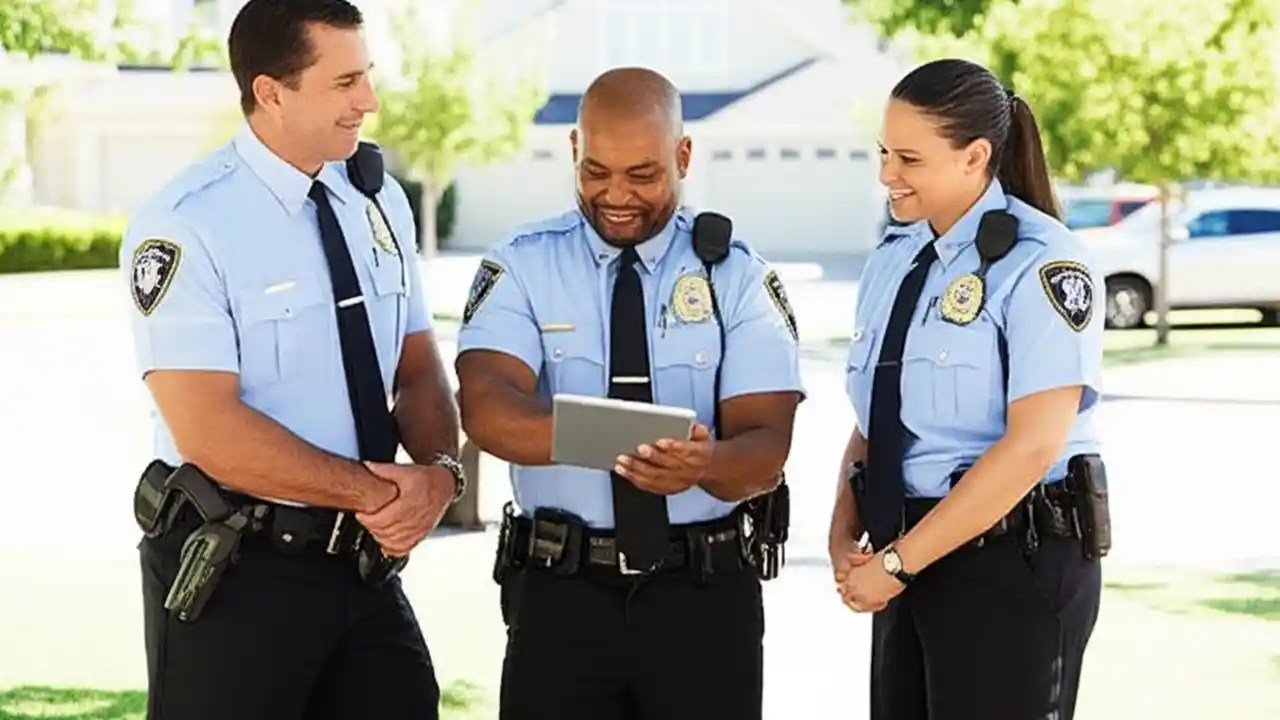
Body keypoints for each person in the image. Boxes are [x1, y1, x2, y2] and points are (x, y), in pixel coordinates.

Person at [120, 1, 464, 718]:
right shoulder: (186, 222)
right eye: (344, 84)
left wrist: (440, 474)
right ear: (271, 92)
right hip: (241, 573)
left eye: (365, 76)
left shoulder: (379, 200)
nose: (368, 100)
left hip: (365, 572)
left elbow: (418, 365)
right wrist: (377, 496)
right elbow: (210, 431)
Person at [455, 66, 805, 720]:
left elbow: (766, 446)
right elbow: (488, 410)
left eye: (642, 175)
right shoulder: (523, 264)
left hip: (703, 599)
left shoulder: (736, 275)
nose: (615, 195)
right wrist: (627, 441)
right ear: (573, 152)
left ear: (683, 156)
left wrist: (707, 465)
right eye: (595, 172)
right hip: (560, 597)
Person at [828, 57, 1109, 720]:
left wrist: (895, 564)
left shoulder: (1043, 262)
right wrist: (845, 535)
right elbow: (875, 417)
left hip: (1012, 564)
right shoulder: (894, 259)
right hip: (910, 557)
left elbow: (1032, 447)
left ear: (974, 156)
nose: (885, 174)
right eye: (882, 152)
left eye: (908, 158)